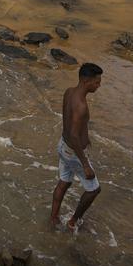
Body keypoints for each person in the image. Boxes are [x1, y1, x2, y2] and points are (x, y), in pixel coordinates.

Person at [50, 63, 103, 232]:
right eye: (97, 82)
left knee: (64, 182)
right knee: (94, 190)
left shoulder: (69, 92)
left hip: (63, 145)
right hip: (73, 152)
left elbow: (69, 123)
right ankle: (73, 222)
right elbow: (74, 135)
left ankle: (53, 217)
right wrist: (85, 164)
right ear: (86, 81)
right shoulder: (81, 106)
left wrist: (85, 137)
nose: (99, 85)